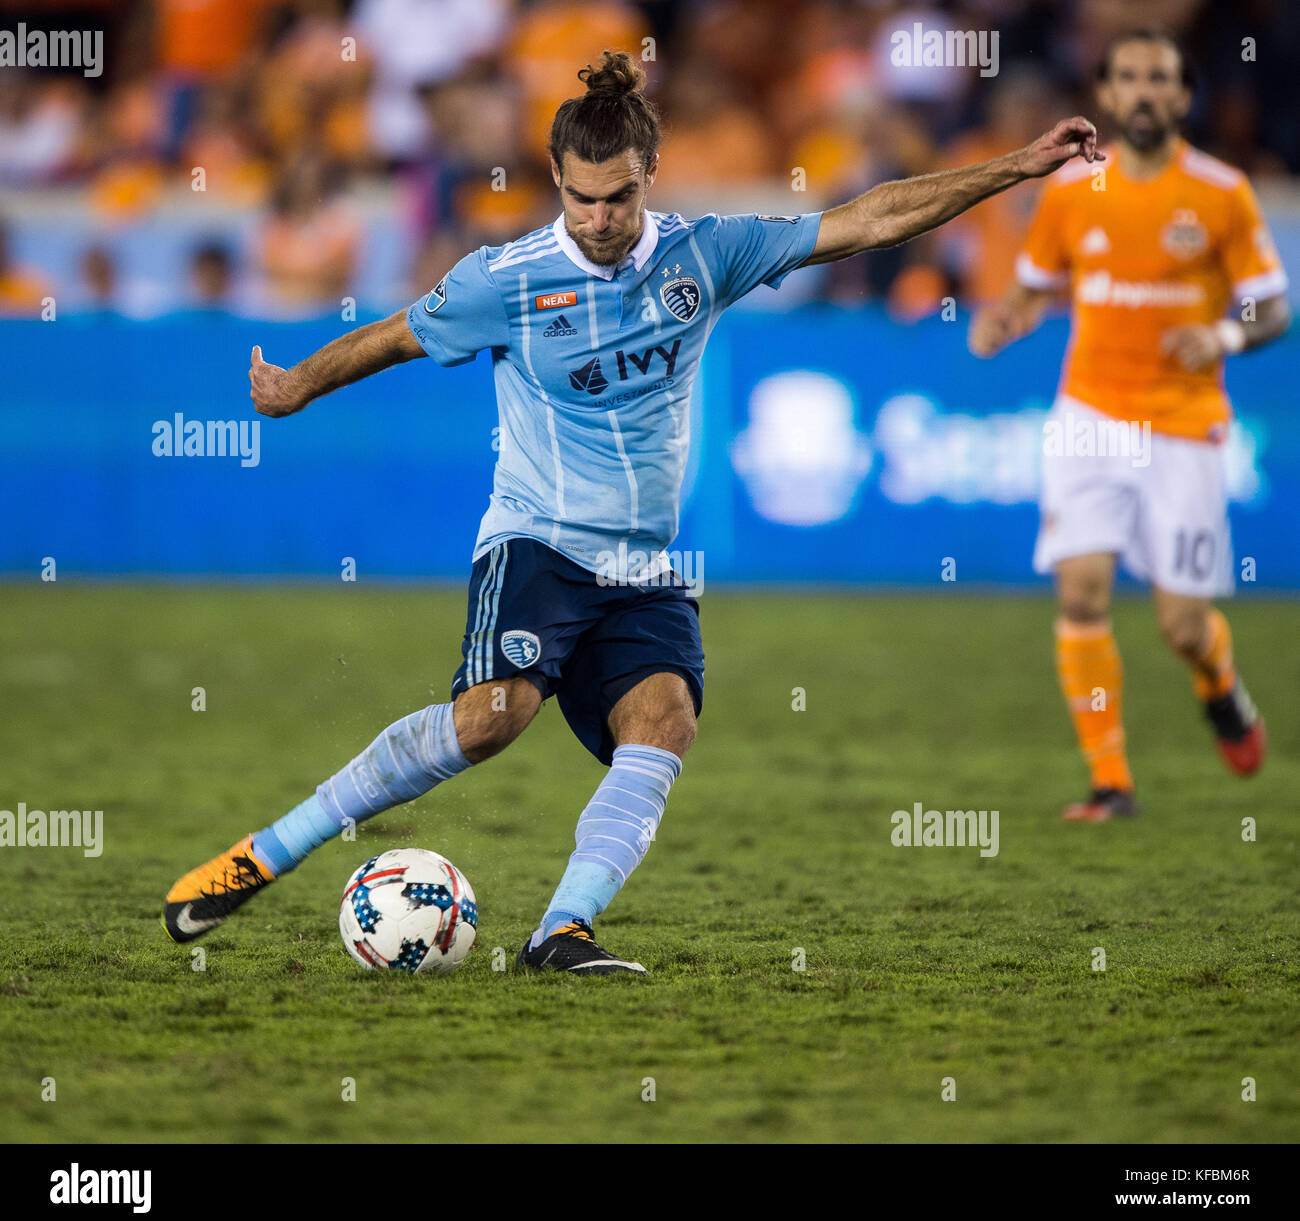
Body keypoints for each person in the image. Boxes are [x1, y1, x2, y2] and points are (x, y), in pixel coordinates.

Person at [163, 50, 1101, 971]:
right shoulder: (508, 278)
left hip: (644, 562)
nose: (600, 218)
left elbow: (865, 220)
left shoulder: (708, 254)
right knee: (491, 718)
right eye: (581, 198)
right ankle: (265, 853)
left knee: (664, 718)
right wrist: (296, 388)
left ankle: (560, 932)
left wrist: (1015, 167)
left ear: (648, 174)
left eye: (618, 196)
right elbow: (396, 336)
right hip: (537, 541)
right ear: (556, 181)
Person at [969, 30, 1289, 823]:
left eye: (1160, 80)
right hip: (1089, 417)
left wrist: (1224, 335)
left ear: (1183, 98)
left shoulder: (1221, 192)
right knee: (1080, 592)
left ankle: (1218, 682)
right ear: (1107, 96)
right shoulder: (1073, 192)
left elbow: (1272, 304)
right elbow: (1035, 286)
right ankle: (1112, 783)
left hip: (1184, 425)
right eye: (1128, 79)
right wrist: (1006, 317)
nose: (1144, 92)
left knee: (1183, 622)